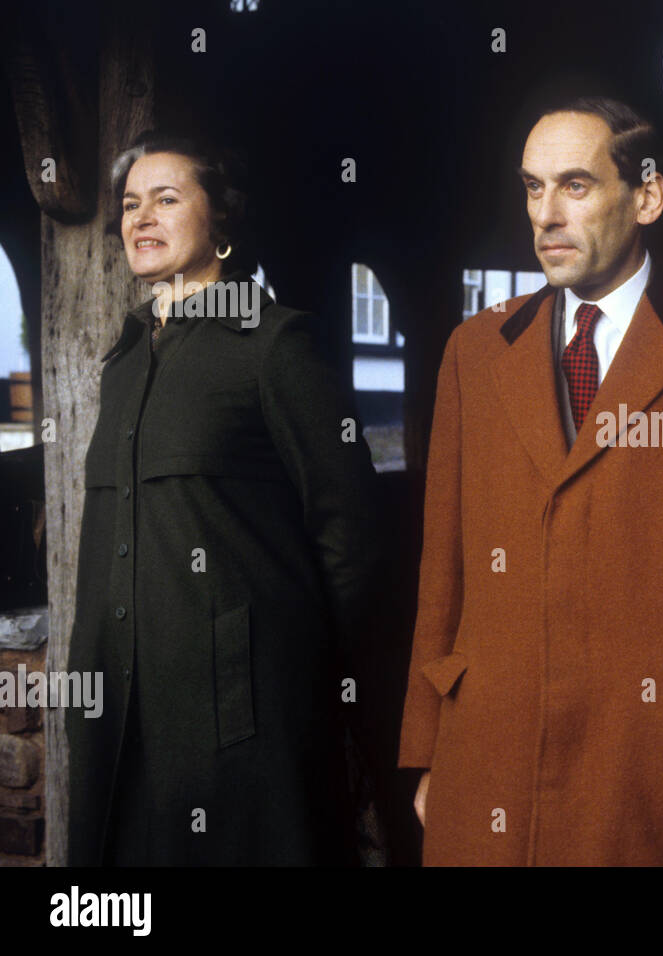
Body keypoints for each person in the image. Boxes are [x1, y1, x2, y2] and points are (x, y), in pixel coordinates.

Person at [398, 96, 663, 865]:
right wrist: (431, 748)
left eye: (575, 185)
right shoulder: (475, 349)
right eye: (532, 187)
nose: (546, 214)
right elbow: (444, 568)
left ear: (648, 196)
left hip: (651, 781)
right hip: (484, 770)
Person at [67, 130, 381, 865]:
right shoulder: (122, 363)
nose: (140, 217)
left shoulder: (274, 346)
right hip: (120, 715)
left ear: (223, 222)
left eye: (167, 199)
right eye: (130, 204)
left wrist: (309, 688)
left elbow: (354, 542)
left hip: (240, 724)